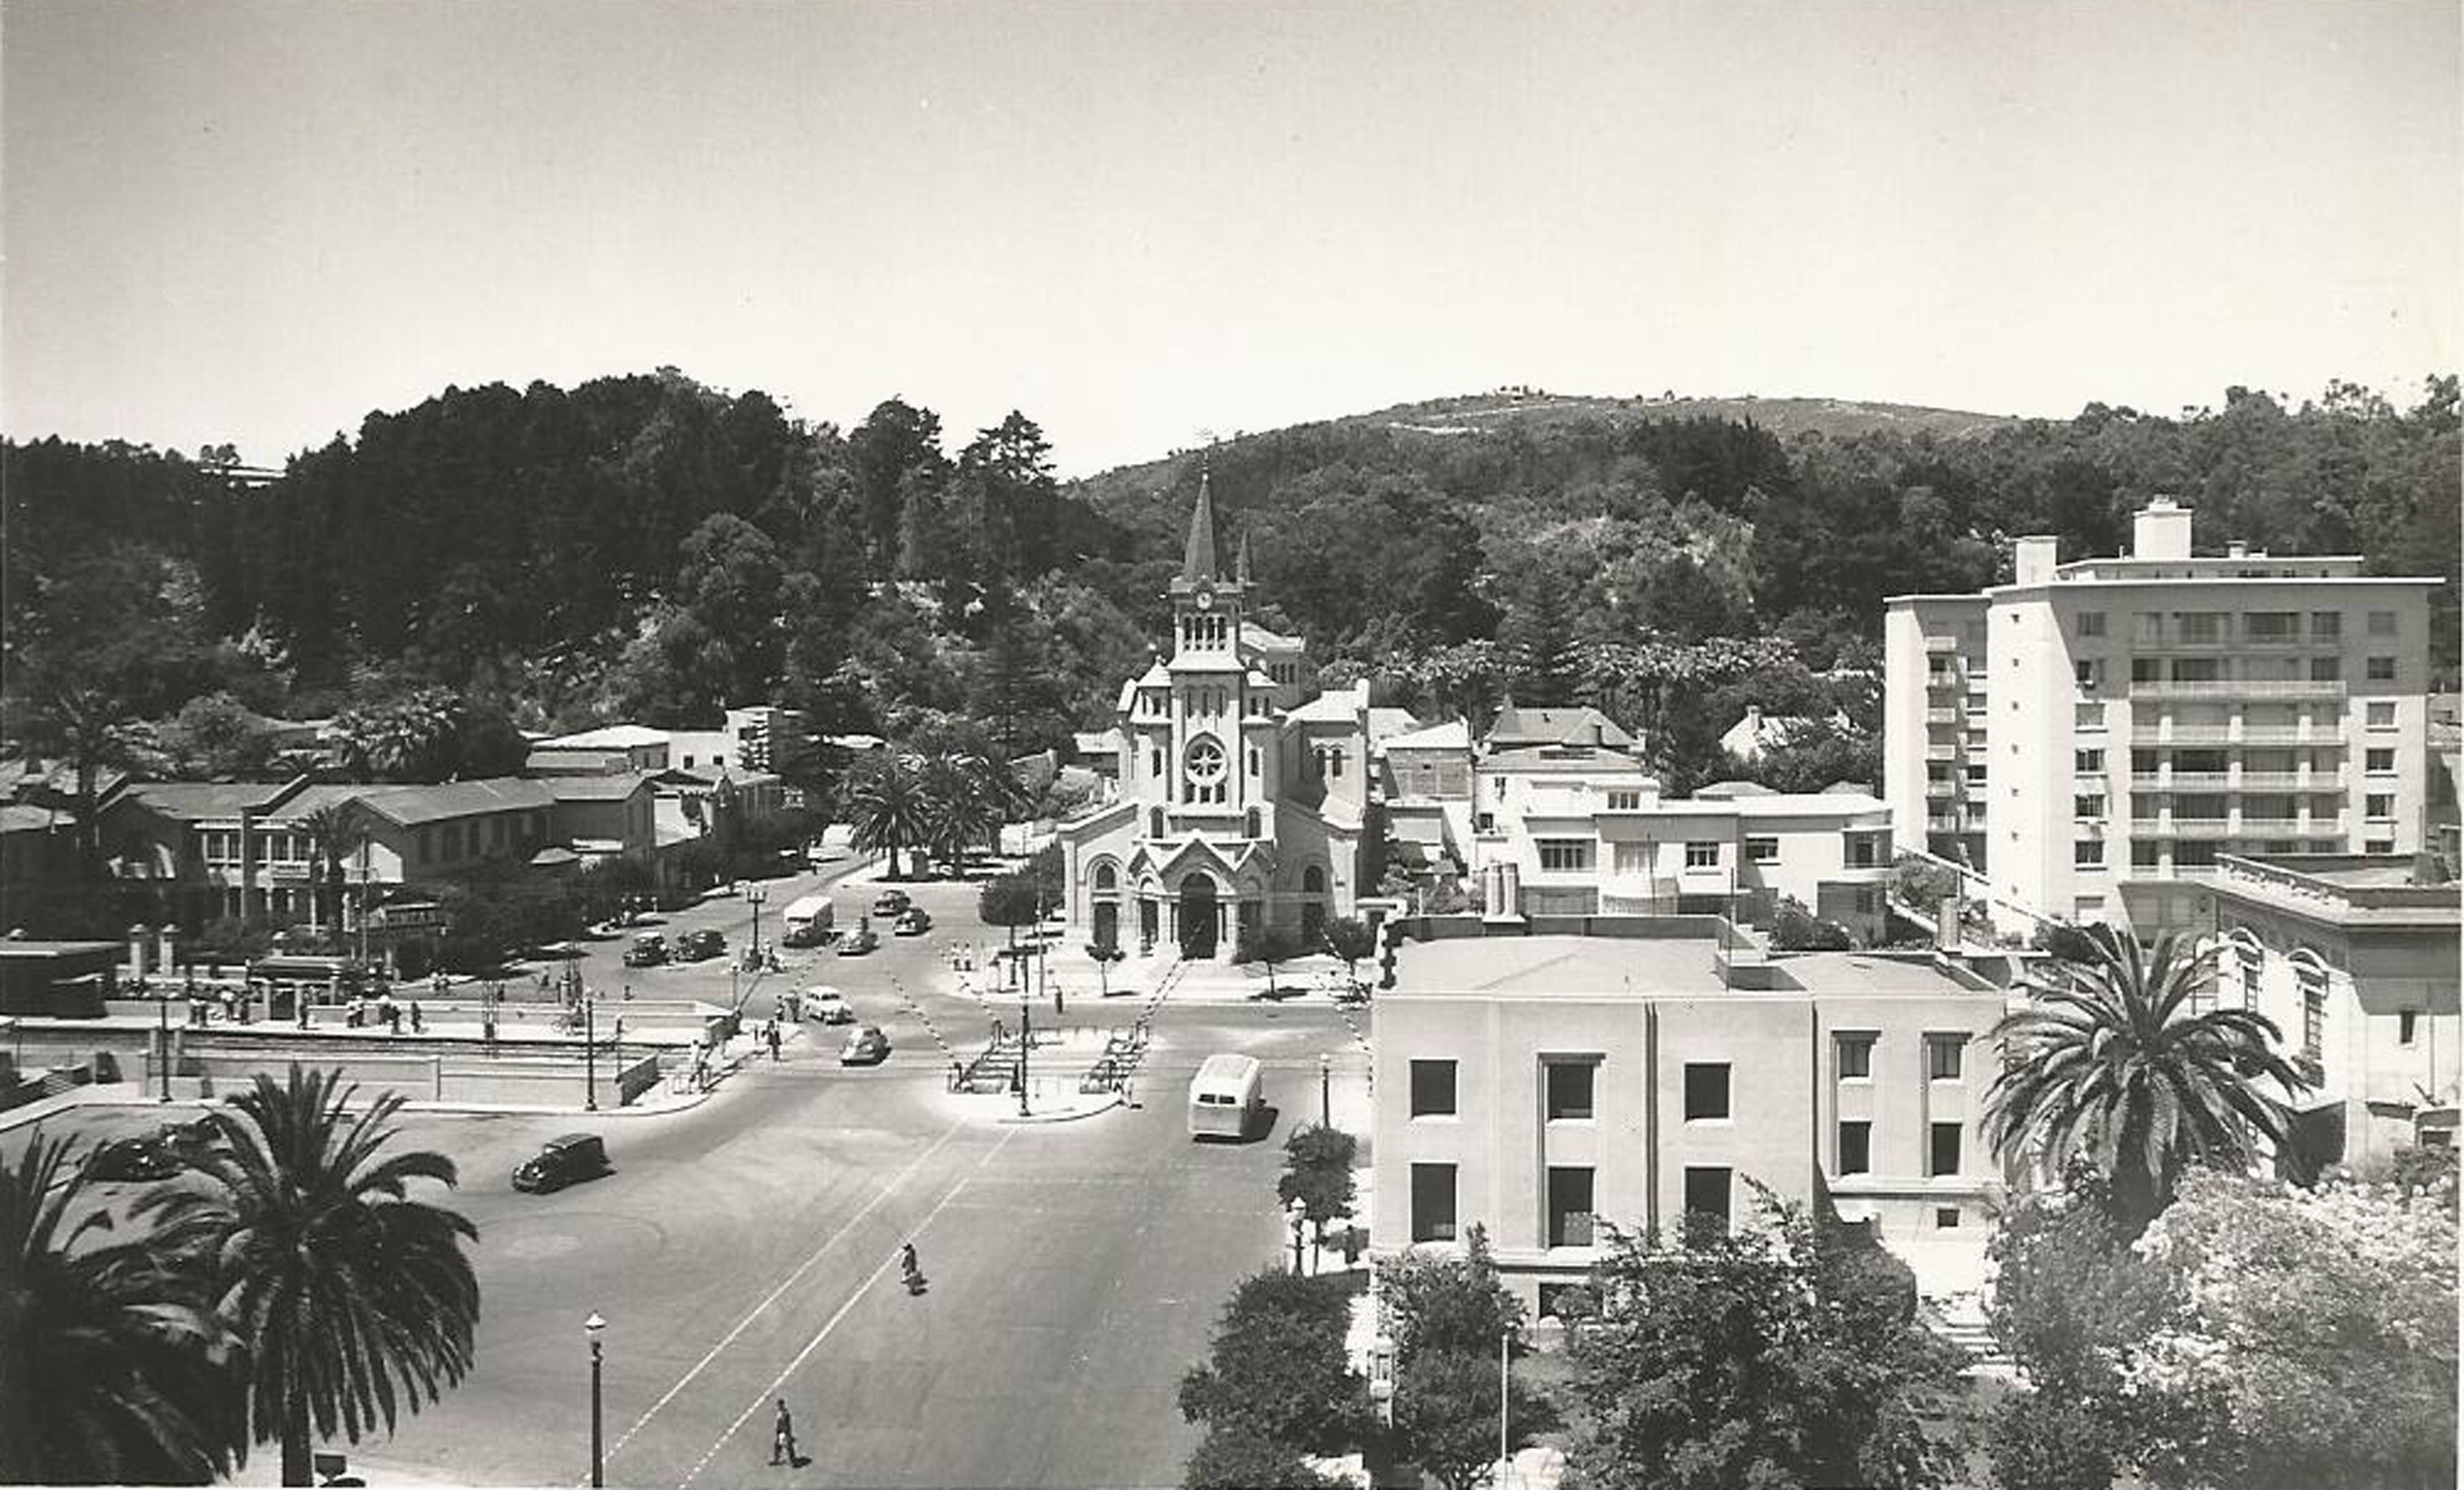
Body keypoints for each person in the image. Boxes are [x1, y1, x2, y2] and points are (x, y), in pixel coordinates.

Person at [770, 1399, 796, 1467]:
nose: (778, 1406)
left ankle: (792, 1461)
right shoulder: (779, 1412)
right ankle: (778, 1460)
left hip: (784, 1431)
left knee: (786, 1446)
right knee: (779, 1446)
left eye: (779, 1404)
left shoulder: (785, 1413)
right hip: (780, 1431)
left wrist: (787, 1433)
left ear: (782, 1405)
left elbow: (787, 1424)